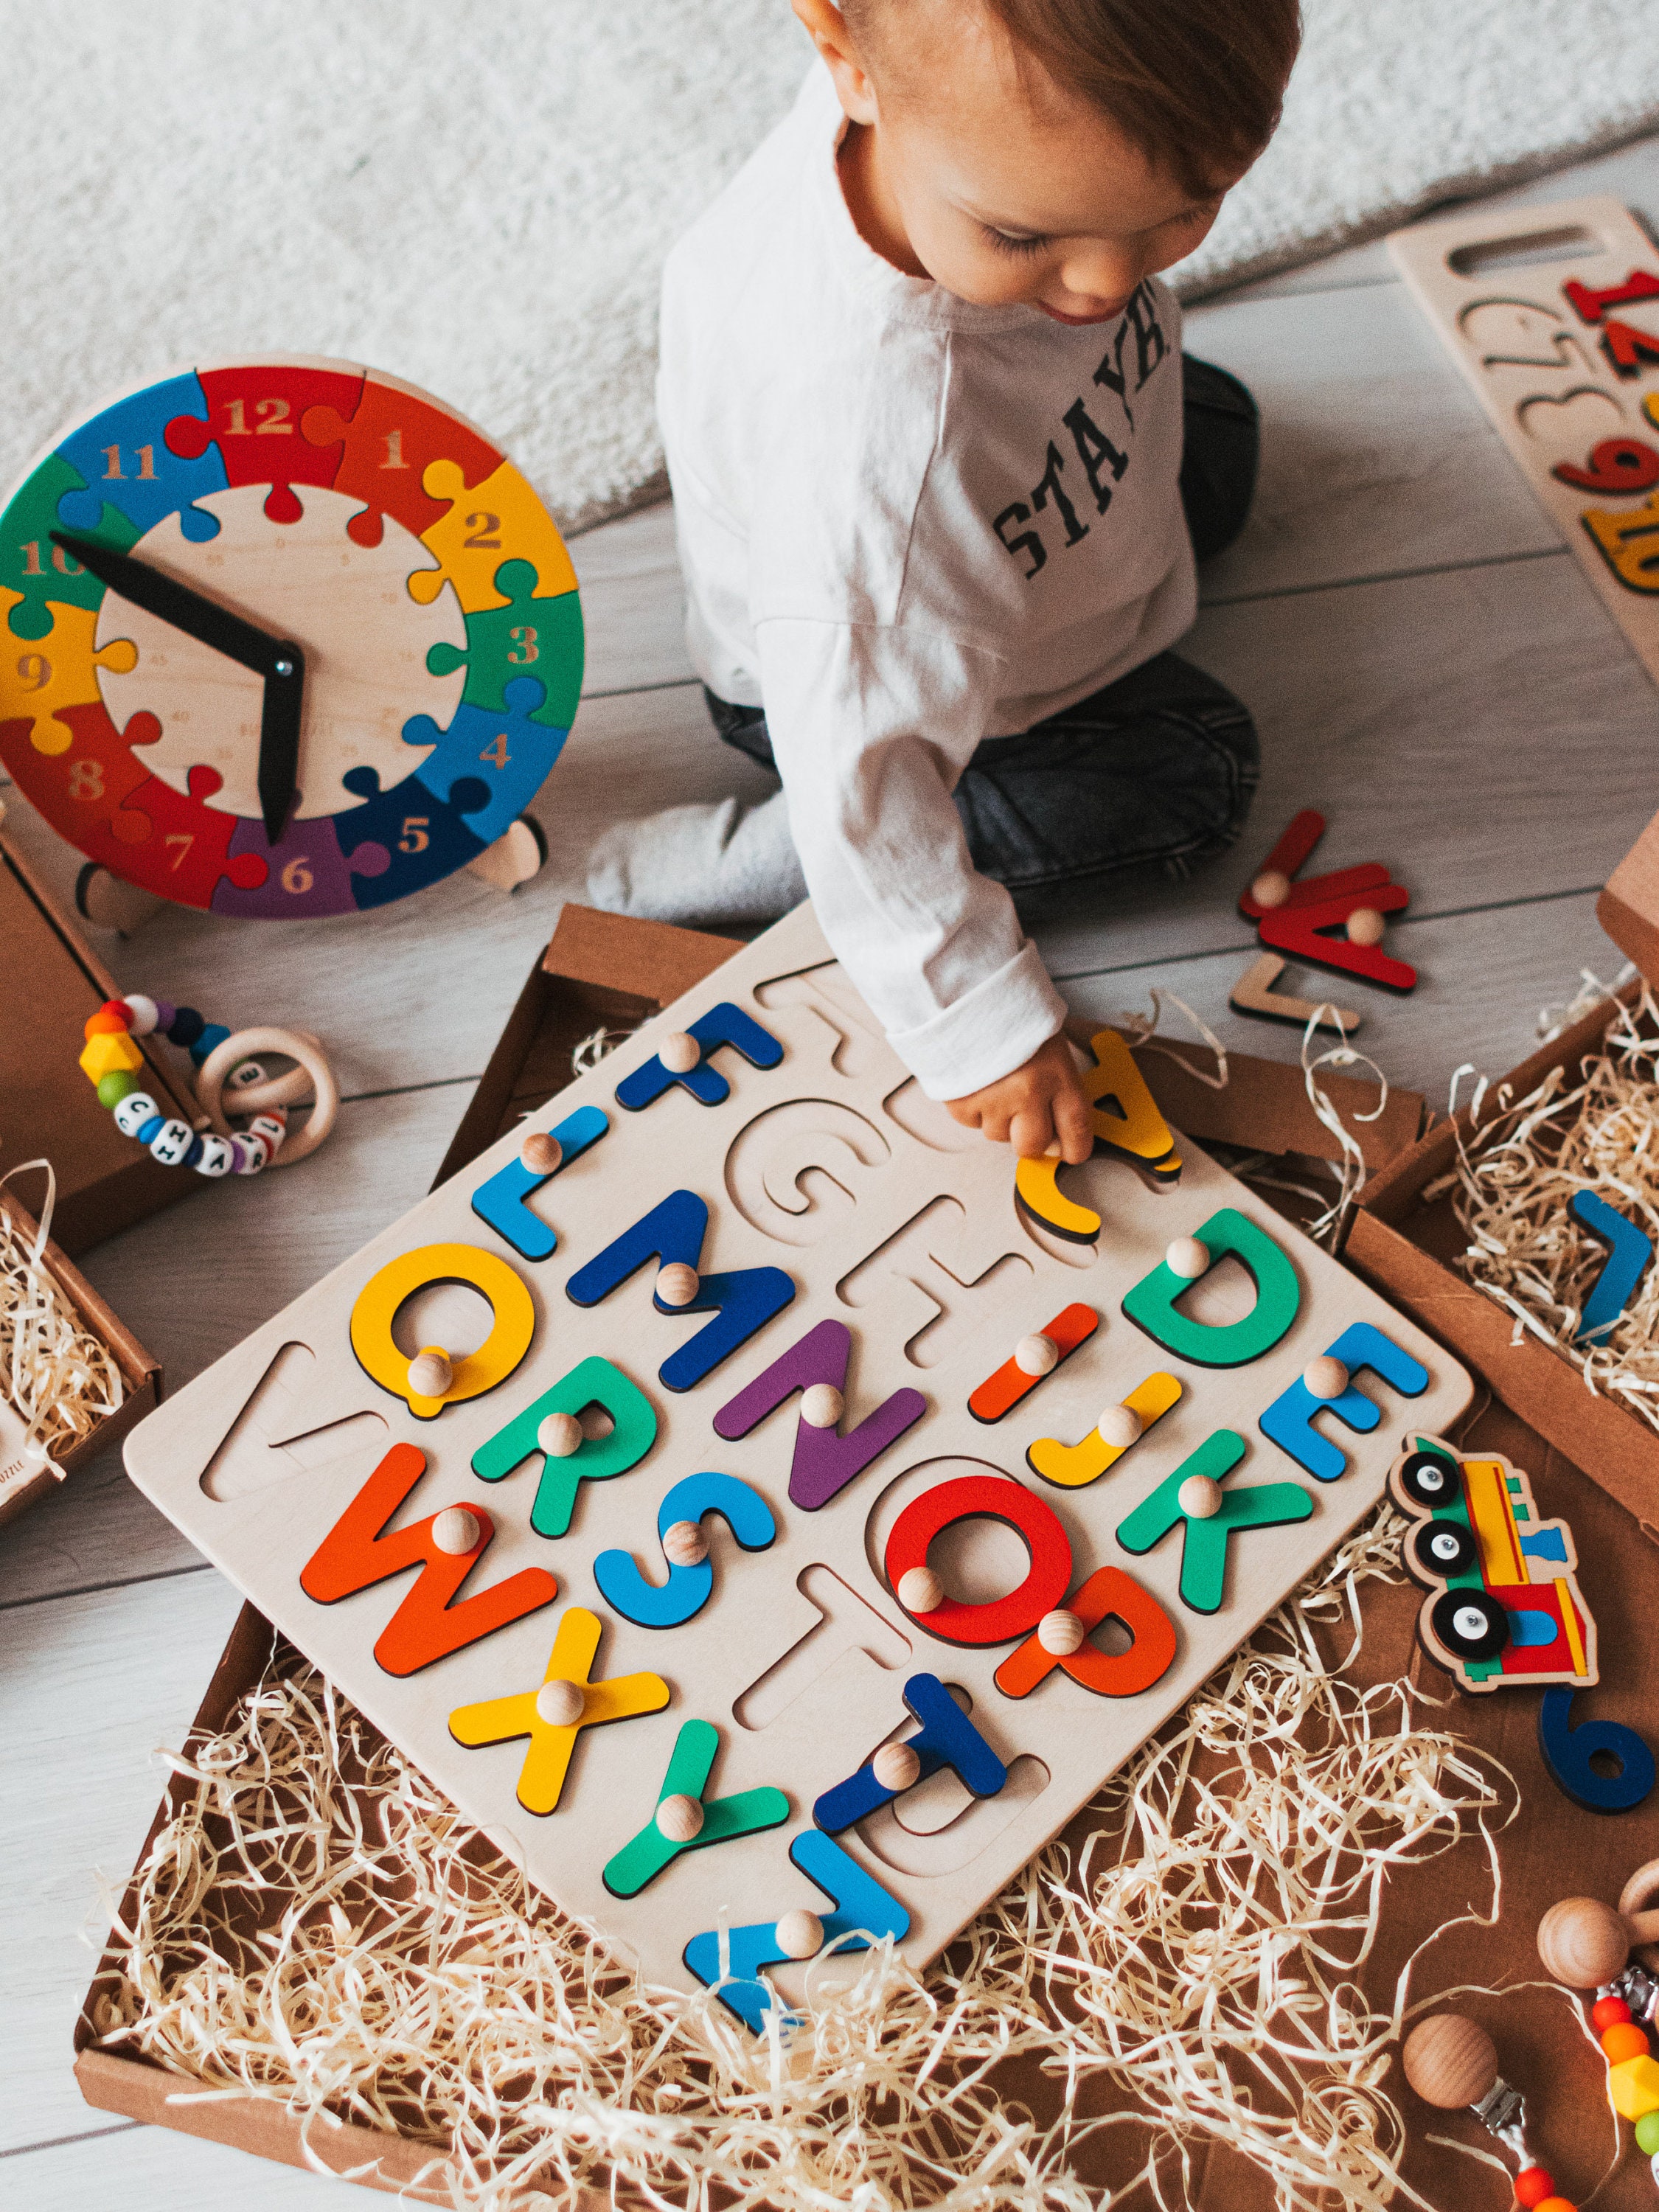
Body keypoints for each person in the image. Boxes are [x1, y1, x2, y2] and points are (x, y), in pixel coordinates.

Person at [586, 0, 1301, 1165]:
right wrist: (982, 1030)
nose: (1105, 283)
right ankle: (776, 856)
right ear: (845, 61)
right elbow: (864, 770)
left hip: (973, 546)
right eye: (1023, 234)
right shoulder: (874, 459)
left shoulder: (915, 93)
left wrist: (1045, 245)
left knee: (1220, 426)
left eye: (1186, 207)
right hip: (851, 697)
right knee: (1194, 770)